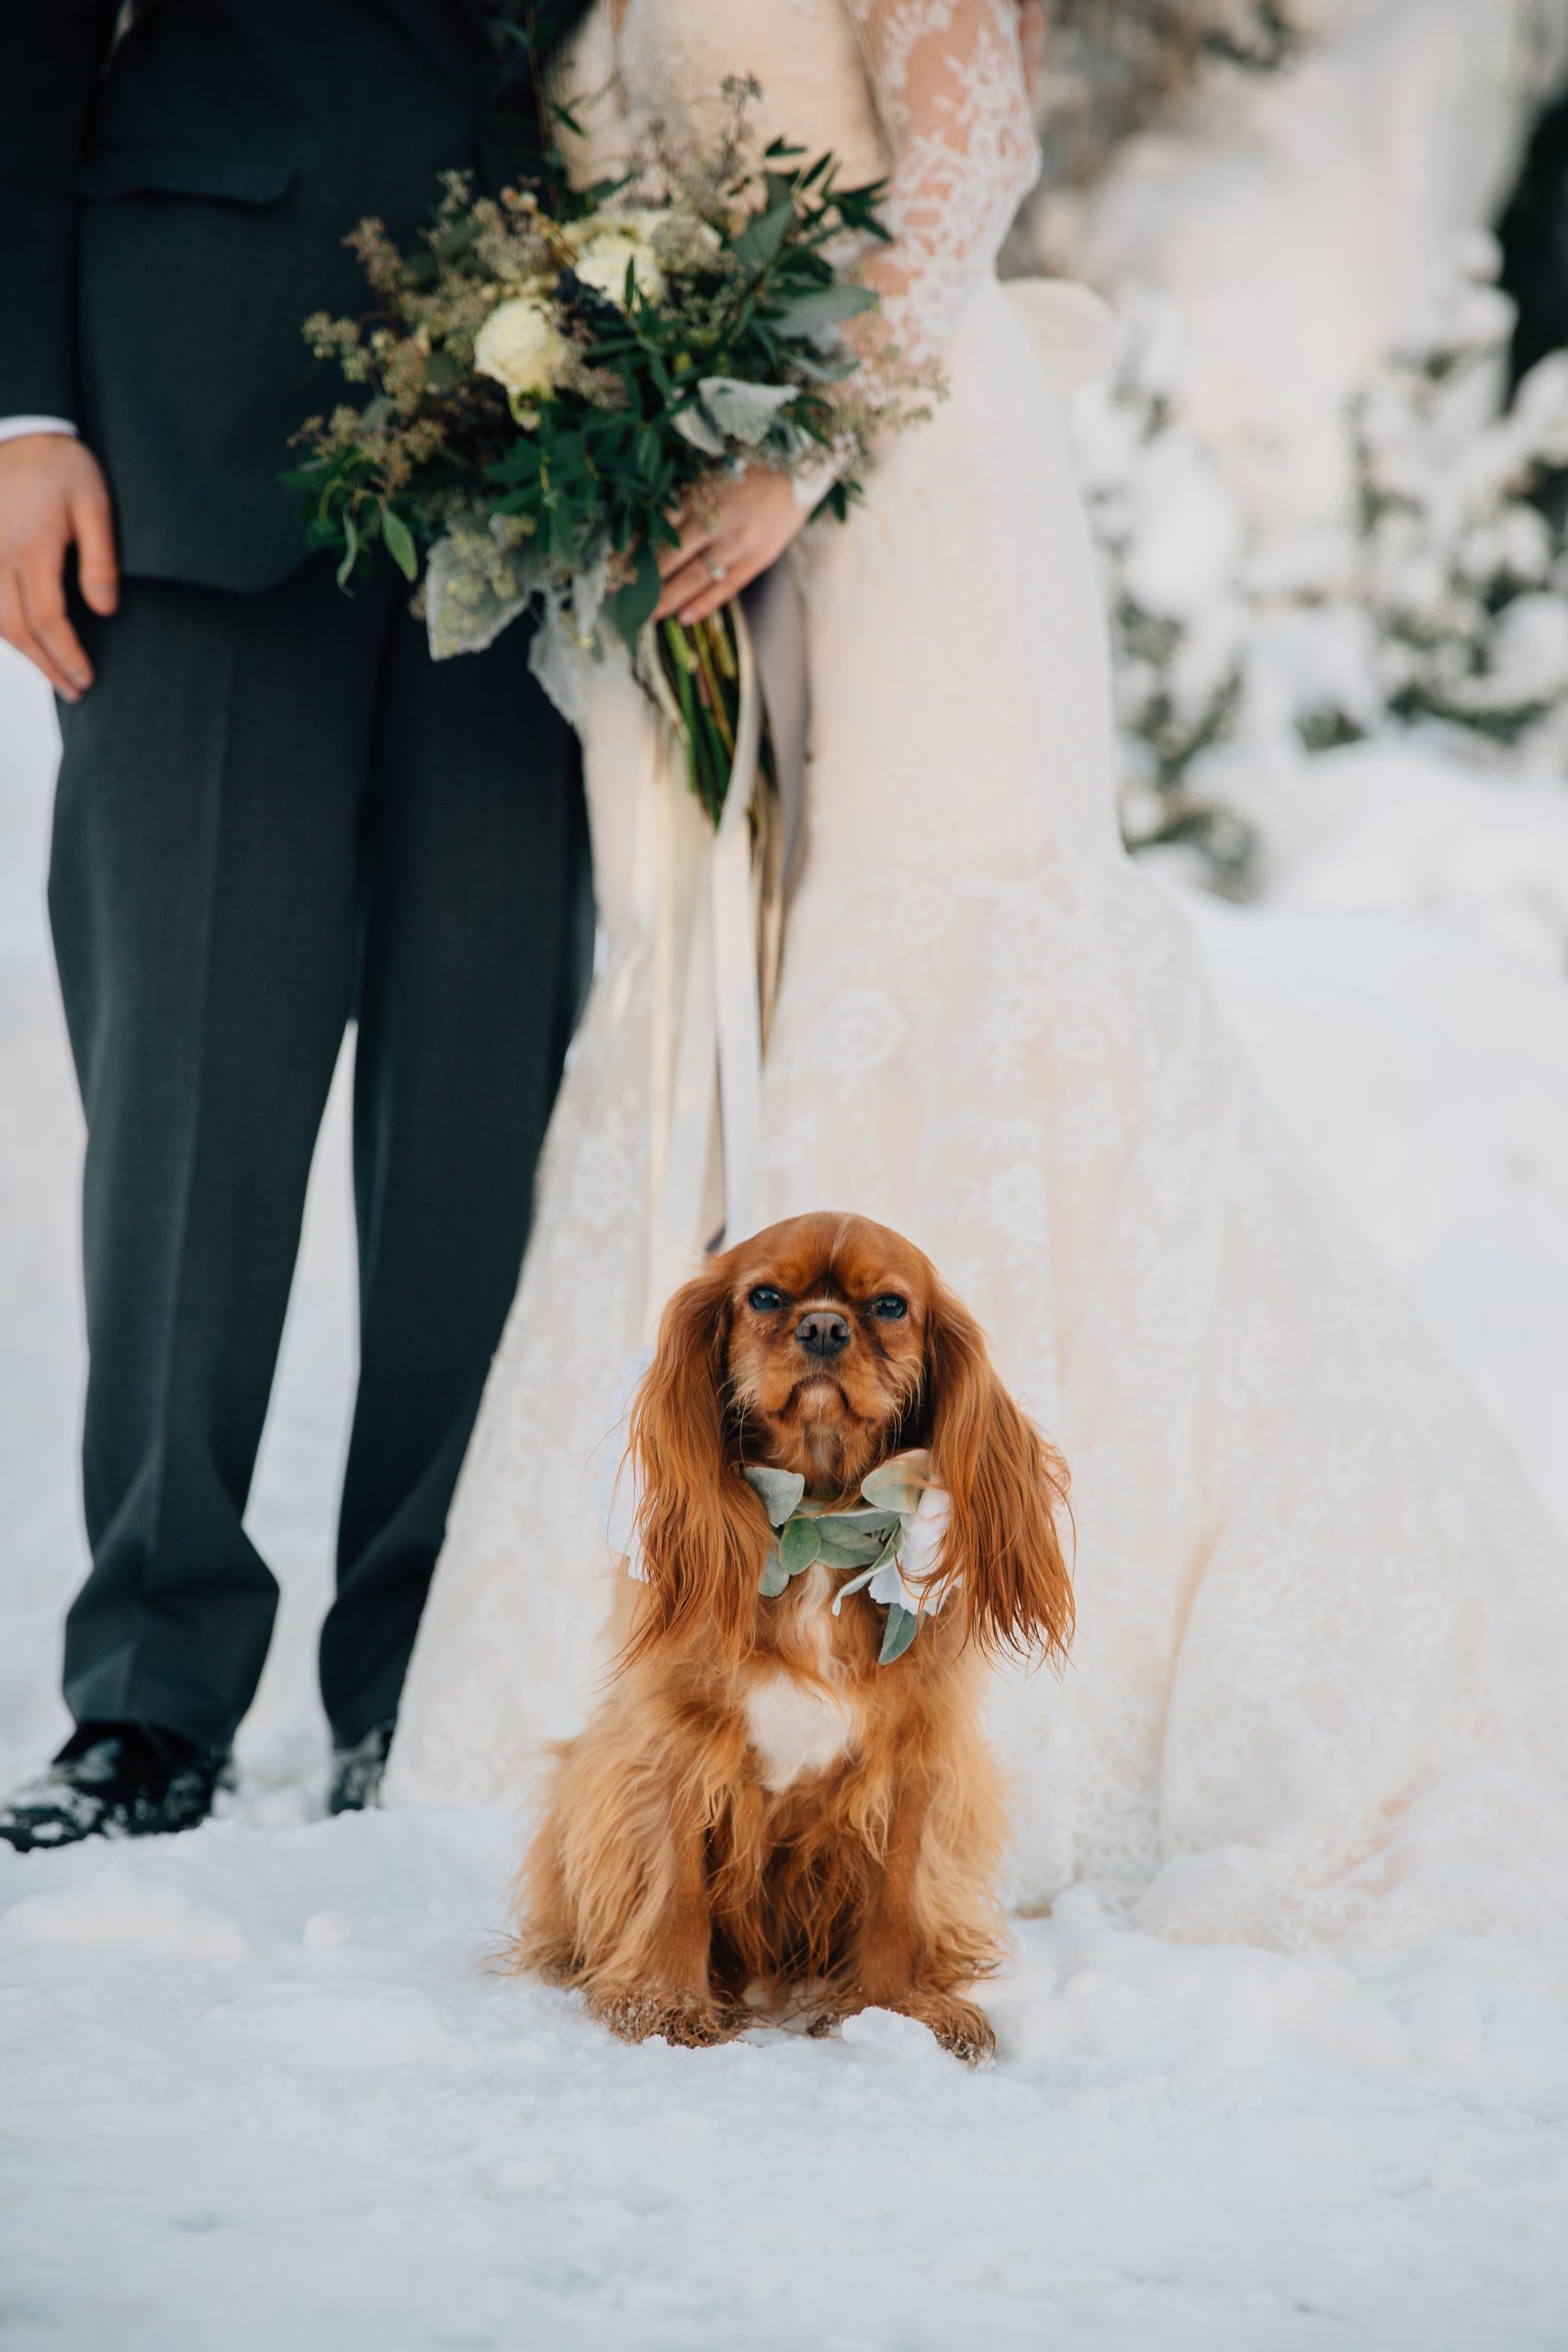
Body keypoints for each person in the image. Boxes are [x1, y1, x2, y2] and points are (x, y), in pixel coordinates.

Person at [383, 0, 1568, 1951]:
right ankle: (692, 1670)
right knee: (717, 998)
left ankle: (991, 1680)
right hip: (704, 526)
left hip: (909, 472)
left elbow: (966, 153)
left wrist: (794, 443)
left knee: (948, 966)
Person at [0, 0, 594, 1853]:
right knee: (185, 1102)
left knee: (482, 1119)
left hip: (551, 462)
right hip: (190, 419)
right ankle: (150, 1694)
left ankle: (424, 1671)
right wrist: (20, 408)